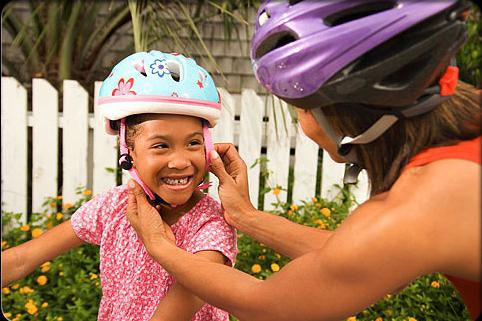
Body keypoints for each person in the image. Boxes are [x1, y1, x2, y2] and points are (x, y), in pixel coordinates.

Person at [125, 1, 481, 321]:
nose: (302, 123)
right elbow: (361, 256)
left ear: (339, 112)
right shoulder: (458, 153)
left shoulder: (423, 201)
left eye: (300, 109)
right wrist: (245, 217)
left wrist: (160, 246)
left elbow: (268, 306)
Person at [1, 51, 237, 321]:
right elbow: (23, 258)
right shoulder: (114, 206)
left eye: (193, 143)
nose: (180, 161)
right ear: (129, 152)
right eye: (161, 146)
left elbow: (192, 293)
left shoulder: (210, 222)